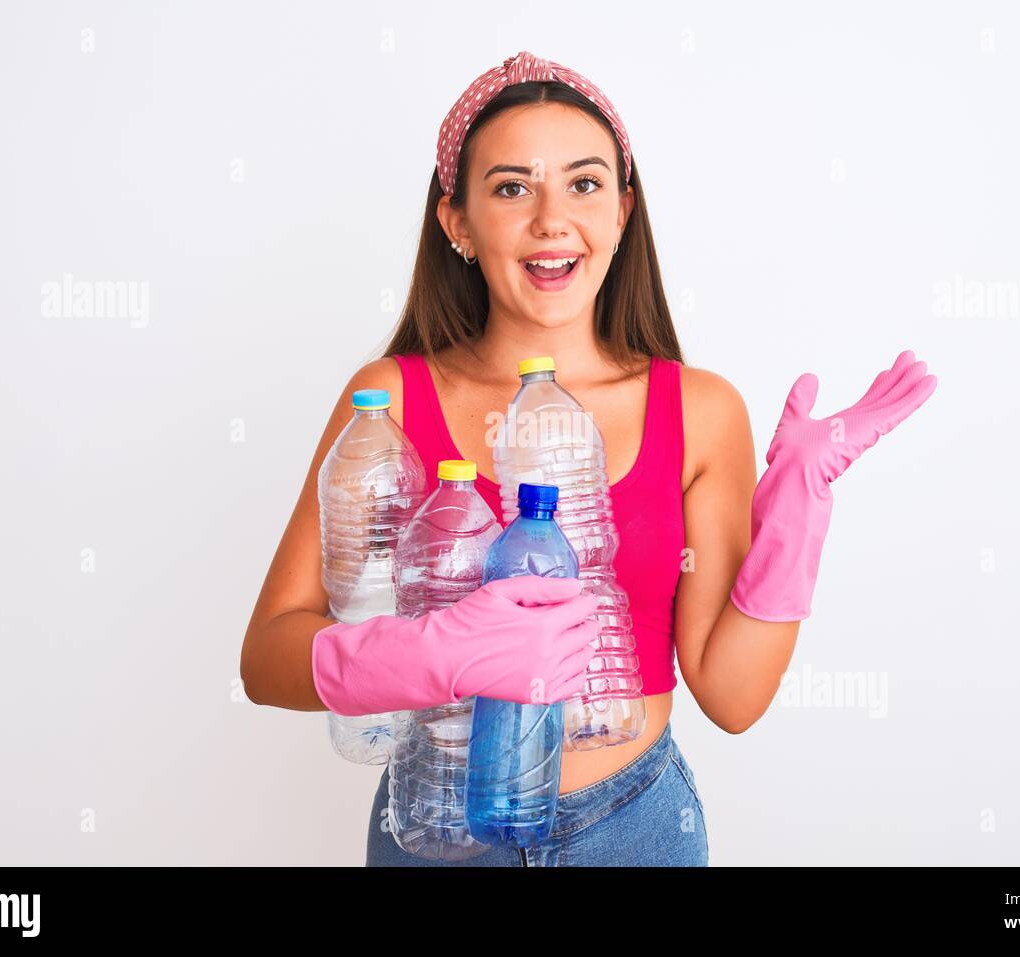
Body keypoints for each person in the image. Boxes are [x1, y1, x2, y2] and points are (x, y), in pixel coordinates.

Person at [240, 51, 938, 867]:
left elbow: (734, 695)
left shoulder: (701, 411)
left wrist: (798, 510)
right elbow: (265, 658)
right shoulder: (387, 402)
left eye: (583, 183)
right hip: (438, 828)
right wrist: (437, 655)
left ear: (622, 211)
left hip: (635, 828)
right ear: (456, 220)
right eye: (510, 187)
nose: (550, 219)